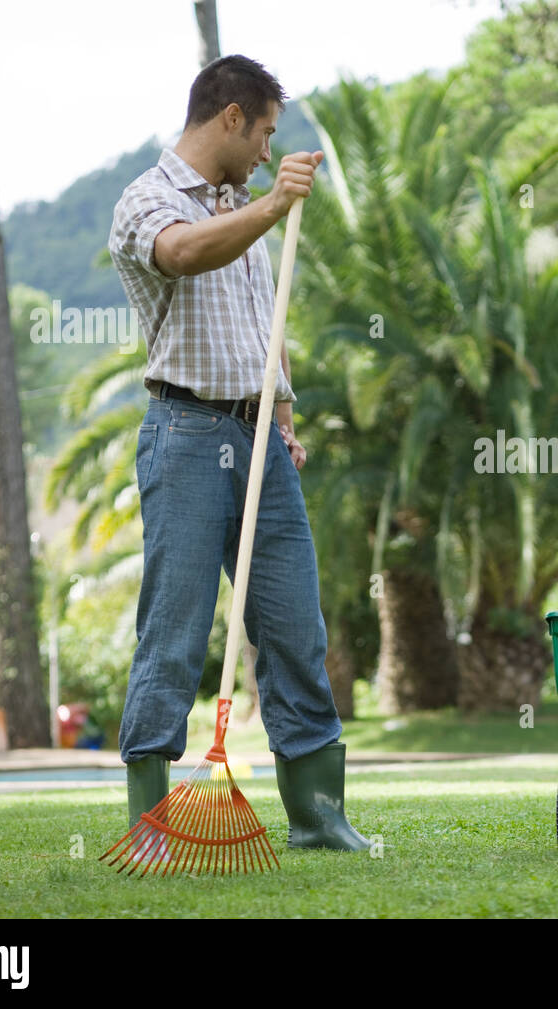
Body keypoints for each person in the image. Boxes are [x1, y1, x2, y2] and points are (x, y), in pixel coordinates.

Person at [109, 55, 368, 852]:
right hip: (185, 437)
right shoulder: (147, 200)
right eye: (261, 133)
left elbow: (266, 326)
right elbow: (185, 253)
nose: (265, 152)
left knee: (293, 625)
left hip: (260, 439)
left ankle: (319, 816)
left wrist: (284, 414)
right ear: (229, 117)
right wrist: (274, 207)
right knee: (175, 629)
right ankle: (151, 818)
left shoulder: (243, 211)